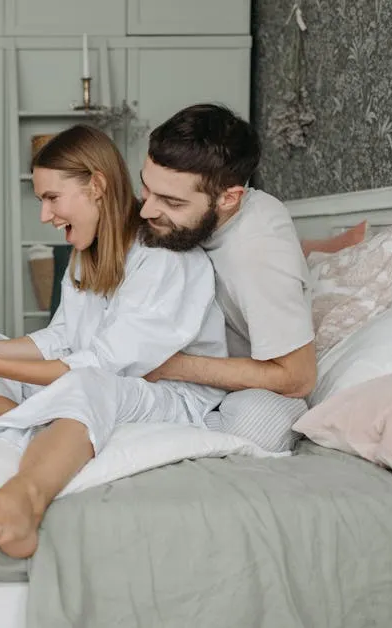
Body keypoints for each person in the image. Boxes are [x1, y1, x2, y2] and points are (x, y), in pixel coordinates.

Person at [0, 124, 228, 558]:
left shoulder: (165, 258)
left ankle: (24, 498)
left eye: (52, 198)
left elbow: (103, 365)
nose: (46, 215)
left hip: (167, 394)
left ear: (97, 186)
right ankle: (32, 429)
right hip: (95, 374)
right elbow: (63, 337)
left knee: (84, 384)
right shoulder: (89, 254)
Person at [140, 103, 316, 452]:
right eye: (146, 188)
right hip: (180, 362)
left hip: (243, 386)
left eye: (171, 202)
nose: (146, 210)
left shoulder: (257, 254)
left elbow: (299, 378)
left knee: (260, 424)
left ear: (229, 199)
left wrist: (167, 366)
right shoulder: (197, 213)